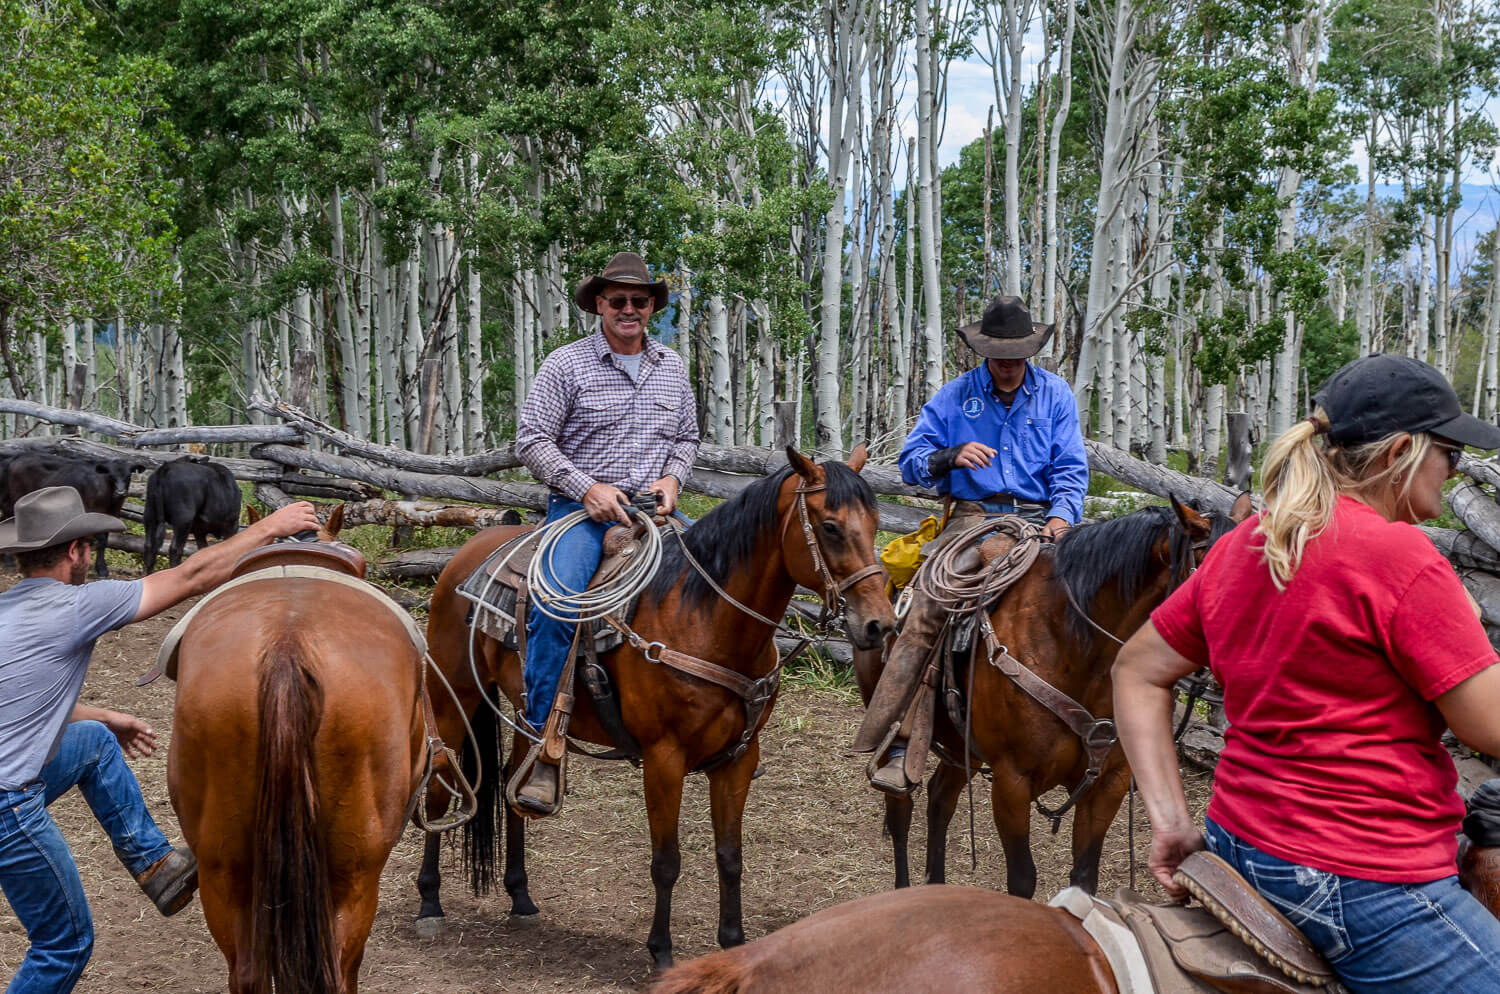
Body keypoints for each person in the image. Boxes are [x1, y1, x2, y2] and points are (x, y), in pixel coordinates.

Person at [1114, 353, 1500, 994]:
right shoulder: (1399, 554)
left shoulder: (1250, 541)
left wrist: (1172, 820)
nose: (1453, 470)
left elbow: (1136, 670)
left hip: (1240, 845)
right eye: (1449, 453)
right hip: (1362, 876)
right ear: (1401, 451)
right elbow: (1489, 726)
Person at [0, 484, 320, 994]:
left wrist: (104, 715)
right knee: (64, 945)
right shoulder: (77, 605)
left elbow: (19, 701)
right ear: (77, 552)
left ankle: (156, 865)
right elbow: (190, 576)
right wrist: (270, 529)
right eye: (86, 548)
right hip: (7, 807)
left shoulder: (7, 611)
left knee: (94, 742)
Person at [853, 295, 1088, 794]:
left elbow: (1070, 469)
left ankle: (1101, 735)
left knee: (1095, 603)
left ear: (1030, 352)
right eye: (997, 352)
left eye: (1016, 353)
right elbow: (912, 462)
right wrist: (950, 455)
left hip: (1039, 520)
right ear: (982, 350)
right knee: (927, 604)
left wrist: (1061, 519)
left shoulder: (1055, 395)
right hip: (972, 519)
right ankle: (901, 738)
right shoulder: (956, 396)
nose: (1006, 363)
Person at [512, 250, 699, 813]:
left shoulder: (672, 366)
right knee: (557, 603)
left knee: (720, 586)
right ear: (598, 304)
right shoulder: (565, 365)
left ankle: (720, 727)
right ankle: (541, 742)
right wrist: (587, 487)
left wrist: (673, 477)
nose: (628, 309)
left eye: (638, 301)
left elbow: (687, 437)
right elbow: (532, 440)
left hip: (653, 513)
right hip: (581, 511)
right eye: (616, 300)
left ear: (650, 308)